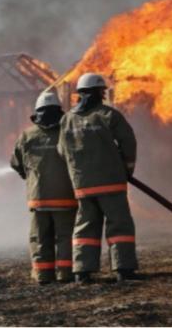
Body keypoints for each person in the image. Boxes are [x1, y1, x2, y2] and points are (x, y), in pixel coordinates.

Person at [58, 73, 139, 284]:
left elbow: (61, 150)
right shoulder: (108, 115)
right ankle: (123, 269)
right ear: (99, 93)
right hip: (111, 183)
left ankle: (82, 272)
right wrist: (127, 169)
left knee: (85, 227)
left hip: (83, 185)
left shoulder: (67, 120)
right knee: (119, 225)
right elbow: (128, 142)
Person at [10, 90, 77, 285]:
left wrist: (30, 178)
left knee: (40, 238)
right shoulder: (68, 133)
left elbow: (16, 163)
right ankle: (66, 274)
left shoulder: (27, 136)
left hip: (38, 199)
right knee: (65, 237)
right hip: (66, 197)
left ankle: (43, 275)